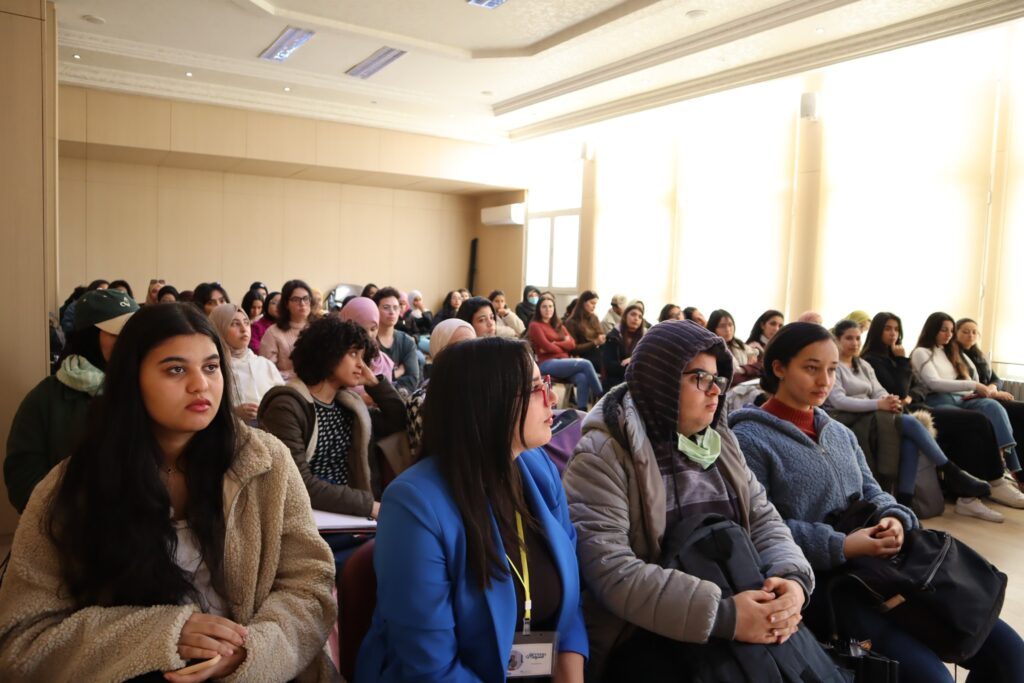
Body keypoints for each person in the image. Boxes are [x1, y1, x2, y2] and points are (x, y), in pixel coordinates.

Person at [0, 303, 337, 682]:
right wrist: (164, 634)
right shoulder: (74, 485)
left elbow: (310, 587)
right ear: (132, 379)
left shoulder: (265, 463)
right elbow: (24, 639)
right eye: (176, 370)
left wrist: (250, 653)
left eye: (211, 367)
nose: (200, 385)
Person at [730, 322, 1024, 683]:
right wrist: (843, 545)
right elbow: (759, 527)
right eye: (811, 368)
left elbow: (874, 491)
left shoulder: (837, 431)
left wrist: (895, 518)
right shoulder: (748, 439)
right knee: (932, 678)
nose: (825, 380)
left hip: (888, 566)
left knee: (1011, 654)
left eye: (832, 369)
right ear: (778, 368)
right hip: (826, 581)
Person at [564, 320, 814, 679]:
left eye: (719, 380)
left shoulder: (719, 442)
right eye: (700, 378)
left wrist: (791, 580)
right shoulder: (605, 452)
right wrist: (725, 615)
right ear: (661, 380)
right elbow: (611, 570)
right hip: (647, 635)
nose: (715, 391)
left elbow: (763, 519)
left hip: (741, 615)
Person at [357, 337, 588, 682]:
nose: (552, 398)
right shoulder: (414, 505)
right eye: (537, 388)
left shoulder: (537, 467)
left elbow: (569, 603)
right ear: (489, 404)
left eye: (547, 385)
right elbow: (431, 668)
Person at [258, 316, 407, 568]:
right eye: (353, 354)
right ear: (328, 353)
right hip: (307, 520)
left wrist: (375, 384)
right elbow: (299, 483)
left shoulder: (348, 405)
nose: (361, 365)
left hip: (349, 517)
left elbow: (398, 420)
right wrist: (369, 505)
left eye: (363, 356)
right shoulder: (287, 405)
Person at [861, 312, 1010, 522]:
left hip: (917, 405)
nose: (893, 333)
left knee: (974, 423)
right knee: (975, 420)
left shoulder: (895, 356)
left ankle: (975, 492)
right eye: (888, 328)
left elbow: (919, 387)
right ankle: (977, 480)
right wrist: (903, 365)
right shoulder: (871, 360)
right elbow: (896, 388)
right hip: (899, 413)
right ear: (877, 331)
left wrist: (912, 396)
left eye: (896, 329)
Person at [826, 319, 989, 509]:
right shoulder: (833, 366)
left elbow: (878, 390)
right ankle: (951, 471)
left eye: (857, 339)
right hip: (848, 417)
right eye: (849, 338)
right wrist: (878, 403)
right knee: (912, 423)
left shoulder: (863, 365)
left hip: (872, 413)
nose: (854, 343)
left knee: (910, 440)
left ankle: (904, 503)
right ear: (837, 340)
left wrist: (889, 400)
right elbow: (839, 401)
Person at [5, 289, 139, 513]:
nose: (129, 343)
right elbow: (22, 479)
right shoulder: (46, 399)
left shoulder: (149, 389)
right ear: (88, 336)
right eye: (117, 333)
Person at [911, 312, 1024, 506]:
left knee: (992, 406)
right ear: (932, 330)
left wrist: (979, 390)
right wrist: (973, 385)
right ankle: (997, 478)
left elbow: (970, 379)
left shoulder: (950, 351)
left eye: (950, 330)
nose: (948, 334)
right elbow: (934, 383)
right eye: (943, 330)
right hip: (937, 400)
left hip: (961, 397)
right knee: (974, 420)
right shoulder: (922, 352)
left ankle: (1014, 469)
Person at [956, 317, 1024, 468]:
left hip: (990, 396)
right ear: (956, 333)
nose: (970, 335)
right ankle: (1014, 468)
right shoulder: (954, 355)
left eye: (974, 332)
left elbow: (996, 379)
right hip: (976, 399)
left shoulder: (979, 356)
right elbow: (965, 385)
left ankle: (1019, 471)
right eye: (965, 332)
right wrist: (993, 394)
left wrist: (993, 389)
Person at [405, 319, 476, 457]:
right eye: (460, 345)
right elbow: (425, 453)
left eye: (473, 344)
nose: (470, 351)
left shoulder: (482, 388)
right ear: (440, 350)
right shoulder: (421, 400)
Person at [209, 304, 284, 426]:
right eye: (235, 324)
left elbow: (282, 399)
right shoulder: (215, 368)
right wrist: (234, 413)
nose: (244, 329)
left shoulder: (264, 364)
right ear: (219, 328)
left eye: (246, 323)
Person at [527, 294, 603, 411]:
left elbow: (572, 344)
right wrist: (562, 344)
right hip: (547, 363)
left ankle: (581, 411)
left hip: (563, 362)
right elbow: (547, 347)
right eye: (544, 307)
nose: (548, 310)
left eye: (551, 306)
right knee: (586, 363)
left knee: (582, 377)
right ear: (539, 309)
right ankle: (603, 398)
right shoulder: (535, 325)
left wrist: (555, 343)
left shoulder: (558, 324)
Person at [259, 280, 312, 381]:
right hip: (288, 388)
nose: (302, 303)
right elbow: (267, 372)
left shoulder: (319, 327)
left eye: (306, 298)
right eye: (296, 299)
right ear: (286, 304)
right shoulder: (273, 332)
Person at [374, 287, 421, 393]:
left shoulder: (407, 341)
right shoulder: (369, 341)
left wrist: (387, 384)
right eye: (386, 307)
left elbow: (412, 379)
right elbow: (370, 381)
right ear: (376, 310)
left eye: (396, 307)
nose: (392, 312)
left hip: (400, 398)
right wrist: (397, 373)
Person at [339, 297, 395, 384]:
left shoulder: (383, 362)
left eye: (373, 329)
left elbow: (389, 397)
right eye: (362, 330)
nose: (368, 335)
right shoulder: (337, 359)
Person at [707, 309, 761, 384]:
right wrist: (749, 370)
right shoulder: (711, 350)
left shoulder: (738, 344)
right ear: (713, 328)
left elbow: (760, 366)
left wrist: (744, 370)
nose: (728, 330)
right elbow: (730, 378)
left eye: (730, 324)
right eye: (722, 326)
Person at [565, 291, 607, 379]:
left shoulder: (594, 318)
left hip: (598, 352)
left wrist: (603, 338)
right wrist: (595, 343)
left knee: (615, 362)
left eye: (595, 304)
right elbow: (573, 349)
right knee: (607, 365)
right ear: (583, 303)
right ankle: (602, 391)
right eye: (592, 303)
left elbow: (601, 334)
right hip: (583, 356)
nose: (594, 306)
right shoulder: (572, 322)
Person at [600, 303, 645, 387]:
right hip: (615, 381)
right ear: (625, 317)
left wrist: (633, 359)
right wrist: (629, 366)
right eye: (633, 314)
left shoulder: (643, 339)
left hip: (637, 380)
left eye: (640, 317)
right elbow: (609, 366)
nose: (636, 318)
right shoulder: (612, 337)